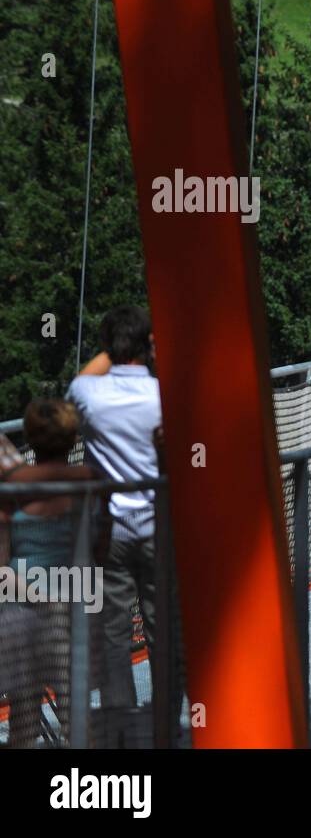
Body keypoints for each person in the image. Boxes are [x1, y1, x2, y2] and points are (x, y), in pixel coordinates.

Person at [65, 306, 161, 714]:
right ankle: (166, 722)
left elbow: (83, 377)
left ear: (109, 346)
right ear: (147, 346)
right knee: (164, 627)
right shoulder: (163, 395)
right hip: (159, 527)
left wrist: (116, 345)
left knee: (113, 631)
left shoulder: (90, 394)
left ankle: (121, 724)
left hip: (108, 531)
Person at [0, 399, 108, 746]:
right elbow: (100, 547)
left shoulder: (12, 486)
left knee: (24, 716)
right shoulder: (91, 481)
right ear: (73, 437)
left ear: (30, 439)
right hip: (77, 602)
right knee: (75, 715)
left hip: (21, 607)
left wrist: (37, 596)